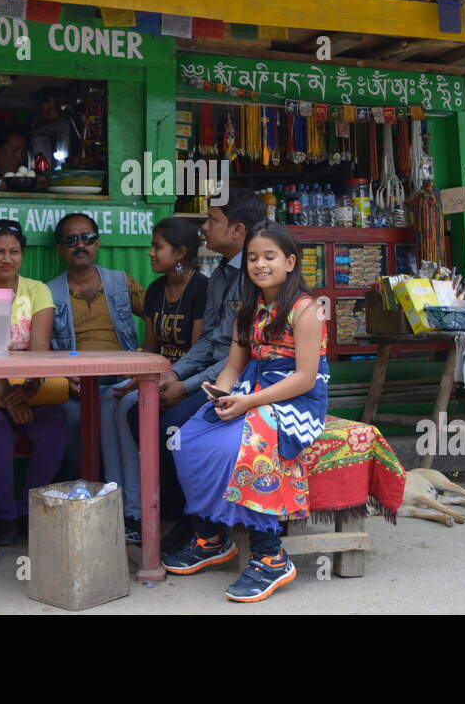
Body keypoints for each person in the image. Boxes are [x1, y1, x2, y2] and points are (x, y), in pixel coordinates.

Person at [162, 221, 329, 602]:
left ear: (289, 261)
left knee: (249, 444)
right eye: (253, 257)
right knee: (187, 438)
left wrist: (250, 402)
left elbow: (305, 378)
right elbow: (234, 366)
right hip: (250, 391)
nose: (260, 265)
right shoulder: (249, 309)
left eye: (269, 257)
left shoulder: (307, 311)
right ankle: (210, 537)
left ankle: (270, 556)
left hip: (297, 401)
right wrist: (220, 393)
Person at [126, 188, 265, 543]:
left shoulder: (255, 277)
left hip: (245, 380)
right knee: (138, 413)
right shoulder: (219, 274)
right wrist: (172, 374)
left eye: (213, 220)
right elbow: (209, 342)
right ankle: (174, 513)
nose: (204, 226)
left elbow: (239, 354)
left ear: (237, 231)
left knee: (172, 425)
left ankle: (197, 522)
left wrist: (185, 387)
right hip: (216, 372)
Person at [0, 220, 67, 546]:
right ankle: (5, 516)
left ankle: (29, 513)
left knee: (55, 432)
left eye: (14, 251)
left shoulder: (37, 290)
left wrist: (28, 390)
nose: (7, 258)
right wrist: (6, 394)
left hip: (28, 385)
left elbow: (40, 352)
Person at [109, 218, 208, 540]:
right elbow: (150, 348)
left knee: (129, 409)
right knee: (113, 401)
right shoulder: (155, 290)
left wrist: (163, 382)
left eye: (157, 247)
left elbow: (199, 353)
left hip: (186, 380)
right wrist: (135, 379)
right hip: (156, 376)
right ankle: (126, 504)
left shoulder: (201, 289)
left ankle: (142, 510)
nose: (150, 254)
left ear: (180, 253)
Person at [48, 213, 146, 496]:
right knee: (70, 419)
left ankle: (128, 502)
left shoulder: (120, 282)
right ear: (59, 248)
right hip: (75, 387)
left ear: (98, 243)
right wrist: (64, 378)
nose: (80, 245)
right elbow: (39, 347)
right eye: (71, 240)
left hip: (121, 382)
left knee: (129, 413)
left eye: (87, 238)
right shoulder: (49, 292)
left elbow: (156, 313)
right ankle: (84, 494)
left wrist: (142, 361)